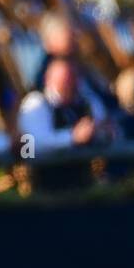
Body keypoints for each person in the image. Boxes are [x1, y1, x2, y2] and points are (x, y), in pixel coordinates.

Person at [17, 58, 114, 191]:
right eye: (64, 79)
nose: (69, 84)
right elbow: (32, 146)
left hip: (84, 186)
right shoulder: (35, 103)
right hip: (44, 188)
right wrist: (72, 137)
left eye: (72, 78)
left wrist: (104, 132)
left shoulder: (87, 102)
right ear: (48, 79)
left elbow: (105, 128)